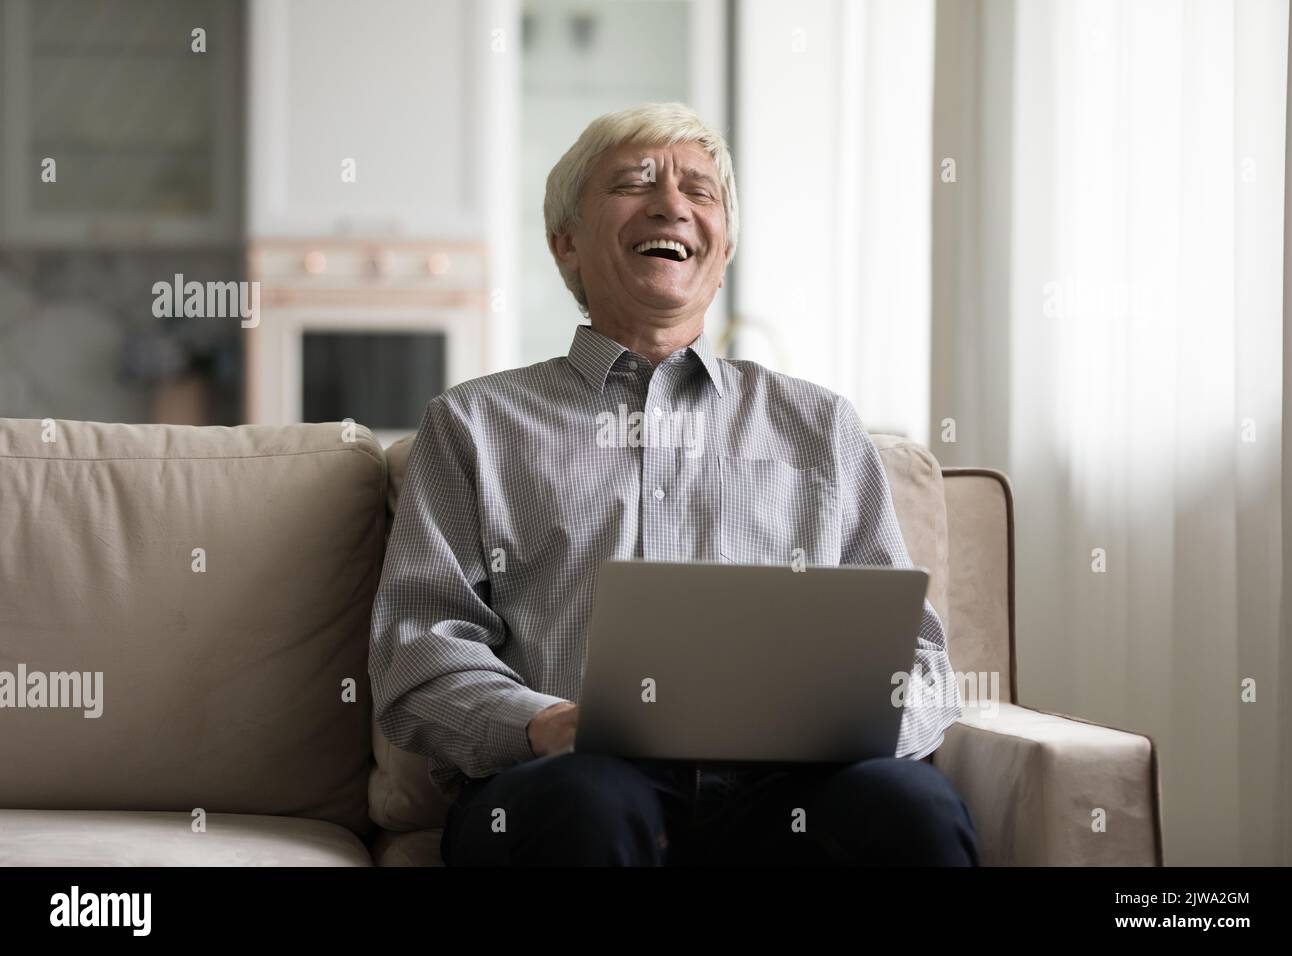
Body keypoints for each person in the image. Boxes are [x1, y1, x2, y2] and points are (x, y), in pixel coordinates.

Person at [369, 102, 977, 866]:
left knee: (908, 809)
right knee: (583, 807)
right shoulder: (473, 426)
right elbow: (418, 647)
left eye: (700, 190)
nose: (671, 204)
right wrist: (543, 723)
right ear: (565, 244)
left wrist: (853, 727)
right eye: (635, 182)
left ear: (722, 254)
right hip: (570, 778)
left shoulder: (822, 427)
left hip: (793, 787)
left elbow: (918, 658)